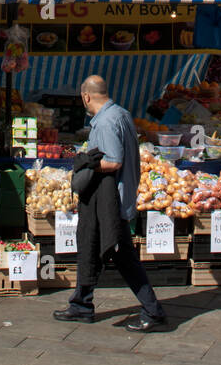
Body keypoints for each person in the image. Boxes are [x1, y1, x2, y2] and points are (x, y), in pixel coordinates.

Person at [53, 76, 167, 332]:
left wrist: (85, 163)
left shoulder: (105, 122)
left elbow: (113, 161)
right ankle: (81, 304)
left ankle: (153, 310)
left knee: (121, 254)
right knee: (91, 245)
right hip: (113, 197)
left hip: (110, 201)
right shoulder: (122, 113)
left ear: (86, 97)